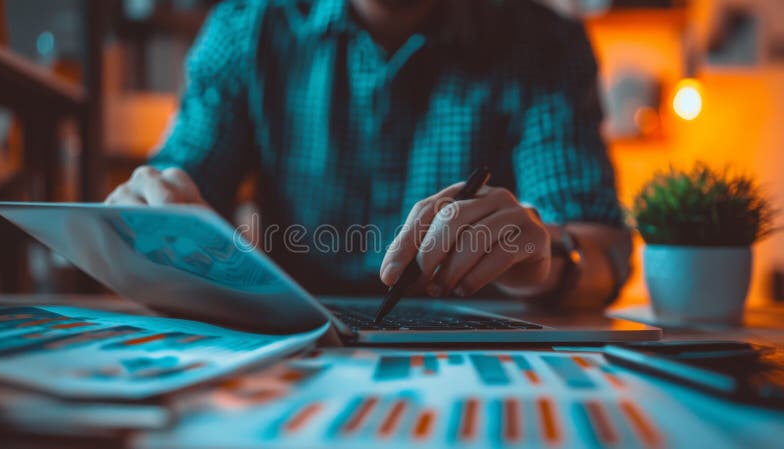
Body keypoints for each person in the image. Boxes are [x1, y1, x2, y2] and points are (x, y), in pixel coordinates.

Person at [106, 0, 632, 309]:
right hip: (298, 356)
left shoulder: (541, 44)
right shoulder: (248, 30)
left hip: (483, 356)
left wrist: (550, 260)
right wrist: (152, 211)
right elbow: (179, 189)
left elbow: (603, 250)